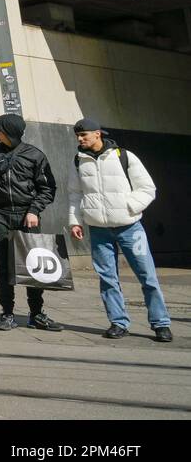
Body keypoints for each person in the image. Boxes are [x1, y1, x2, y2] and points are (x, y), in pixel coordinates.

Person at [67, 118, 173, 343]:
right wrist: (75, 221)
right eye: (77, 135)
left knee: (148, 276)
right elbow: (75, 194)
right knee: (107, 278)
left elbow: (147, 188)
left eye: (84, 135)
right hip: (98, 230)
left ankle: (161, 323)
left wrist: (129, 207)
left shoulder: (123, 156)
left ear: (98, 134)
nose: (80, 139)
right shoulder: (78, 160)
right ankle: (118, 322)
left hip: (130, 228)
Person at [0, 113, 63, 332]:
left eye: (0, 130)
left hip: (27, 216)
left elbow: (48, 189)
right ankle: (7, 313)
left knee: (33, 265)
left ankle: (36, 314)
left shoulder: (34, 155)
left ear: (10, 132)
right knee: (3, 264)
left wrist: (34, 210)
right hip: (0, 215)